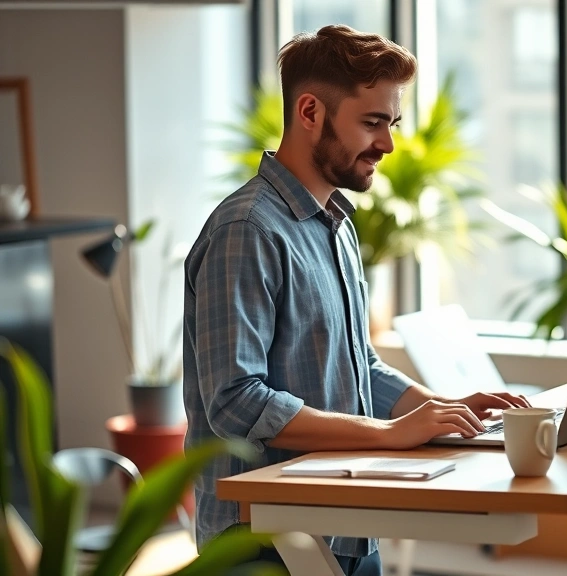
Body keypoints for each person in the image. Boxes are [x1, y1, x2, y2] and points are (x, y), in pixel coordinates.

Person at [183, 25, 527, 575]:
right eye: (372, 122)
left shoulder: (335, 225)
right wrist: (389, 434)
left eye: (391, 124)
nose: (388, 144)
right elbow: (235, 401)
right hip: (263, 540)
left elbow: (356, 364)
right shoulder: (247, 229)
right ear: (311, 112)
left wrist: (441, 409)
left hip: (341, 524)